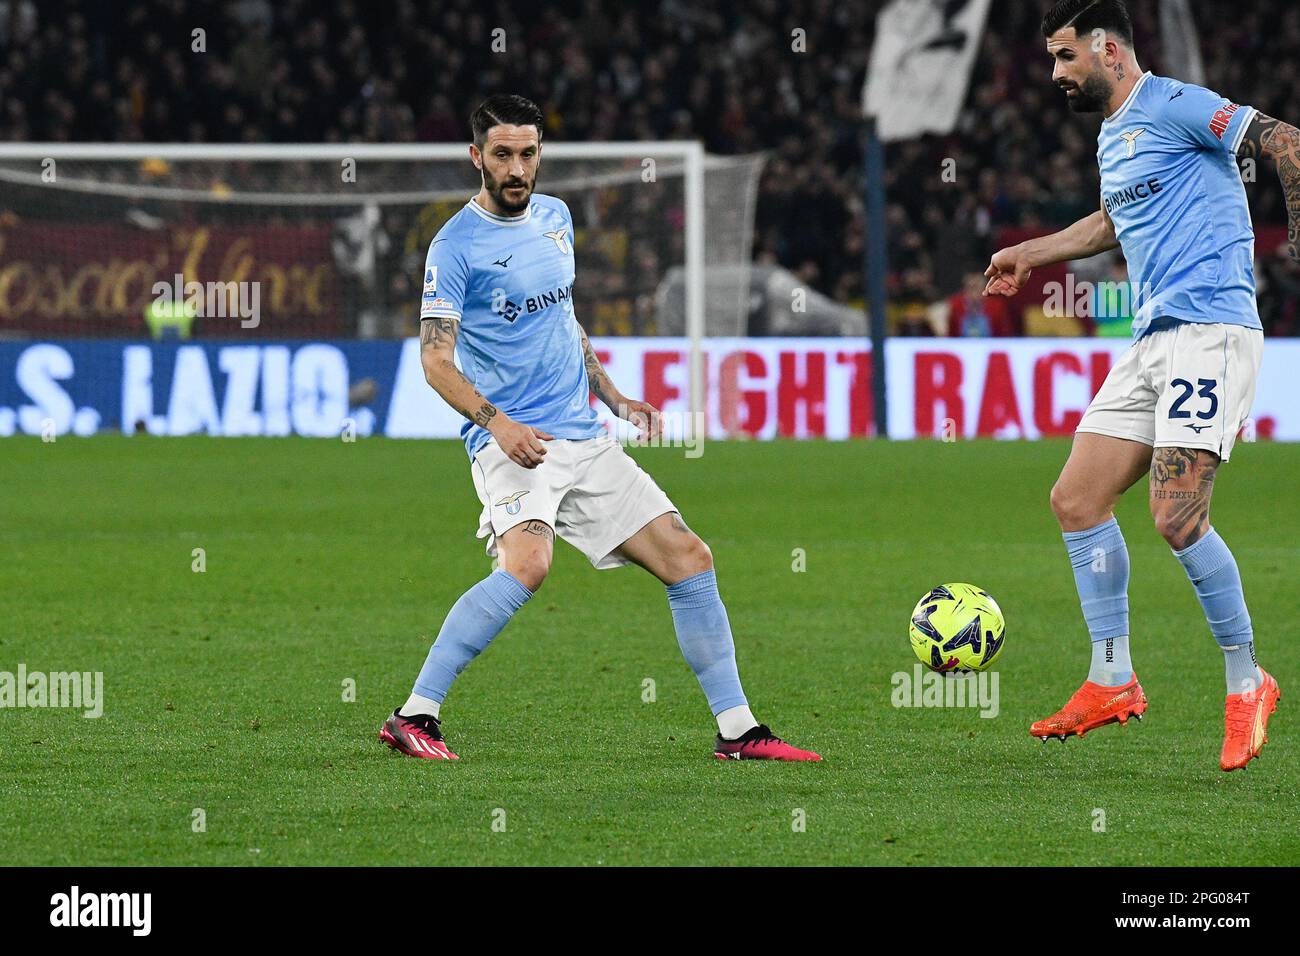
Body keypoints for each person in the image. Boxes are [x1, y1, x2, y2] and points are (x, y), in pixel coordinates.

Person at [380, 94, 820, 762]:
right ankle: (414, 716)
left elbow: (562, 318)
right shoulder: (455, 247)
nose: (517, 167)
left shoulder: (555, 218)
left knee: (689, 558)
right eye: (502, 154)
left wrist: (610, 393)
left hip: (583, 435)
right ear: (477, 158)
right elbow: (435, 359)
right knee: (527, 565)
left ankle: (737, 731)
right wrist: (497, 425)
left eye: (528, 153)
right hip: (515, 442)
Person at [983, 0, 1299, 770]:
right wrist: (1032, 250)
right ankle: (1113, 676)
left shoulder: (1176, 103)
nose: (1056, 74)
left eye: (1065, 57)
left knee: (1176, 513)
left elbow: (1283, 139)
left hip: (1210, 334)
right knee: (1077, 499)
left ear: (1110, 51)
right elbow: (1108, 223)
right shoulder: (1114, 132)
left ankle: (1244, 680)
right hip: (1153, 341)